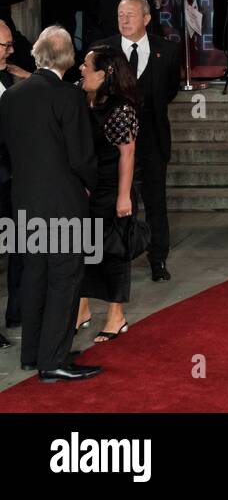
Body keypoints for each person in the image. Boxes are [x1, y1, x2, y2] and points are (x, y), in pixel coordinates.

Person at [0, 27, 99, 381]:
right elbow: (82, 156)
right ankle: (53, 360)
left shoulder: (11, 97)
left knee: (34, 275)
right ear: (68, 59)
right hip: (62, 203)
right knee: (65, 278)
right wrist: (91, 185)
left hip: (23, 200)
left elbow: (5, 153)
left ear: (38, 55)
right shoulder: (67, 97)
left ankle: (32, 353)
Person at [74, 43, 139, 343]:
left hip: (113, 189)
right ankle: (82, 310)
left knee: (113, 252)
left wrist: (123, 196)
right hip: (85, 187)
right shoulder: (81, 97)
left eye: (87, 66)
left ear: (104, 73)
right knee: (84, 249)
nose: (81, 69)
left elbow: (127, 154)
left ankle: (116, 315)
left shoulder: (120, 108)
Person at [117, 0, 181, 282]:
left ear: (146, 18)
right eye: (120, 14)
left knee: (156, 202)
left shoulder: (166, 50)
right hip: (115, 144)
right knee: (120, 202)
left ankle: (158, 259)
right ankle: (120, 259)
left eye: (130, 14)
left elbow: (170, 90)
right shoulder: (103, 49)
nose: (125, 19)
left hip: (152, 139)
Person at [0, 21, 30, 346]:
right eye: (5, 46)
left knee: (21, 246)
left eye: (10, 45)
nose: (10, 51)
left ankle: (17, 311)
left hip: (15, 179)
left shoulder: (12, 76)